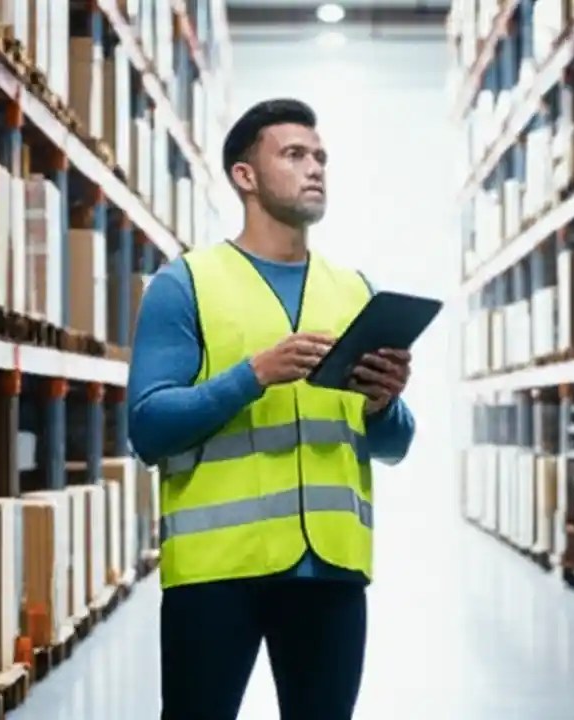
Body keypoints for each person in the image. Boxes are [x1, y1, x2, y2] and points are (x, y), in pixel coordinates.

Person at [127, 98, 418, 720]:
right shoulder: (187, 284)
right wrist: (253, 376)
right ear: (245, 176)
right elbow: (149, 429)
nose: (314, 168)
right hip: (217, 574)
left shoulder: (355, 291)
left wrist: (383, 404)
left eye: (320, 157)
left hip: (332, 572)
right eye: (294, 154)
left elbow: (394, 445)